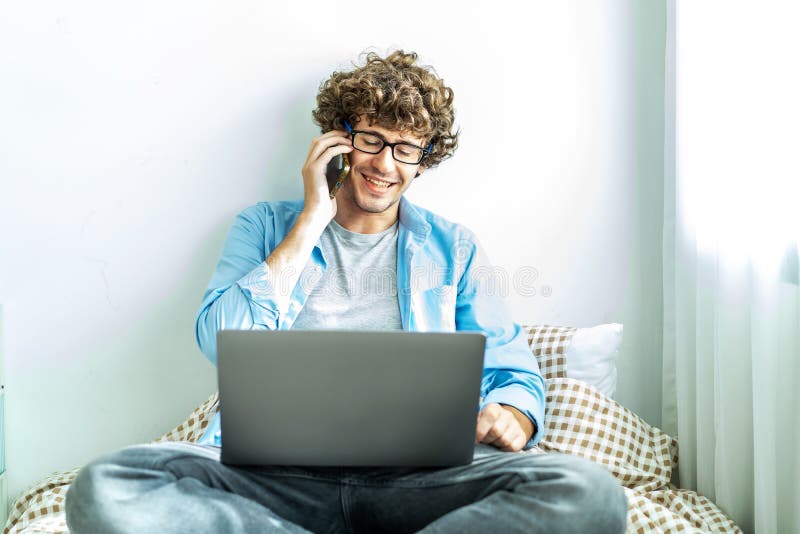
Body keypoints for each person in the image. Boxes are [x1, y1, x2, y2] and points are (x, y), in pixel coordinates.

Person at [66, 50, 627, 533]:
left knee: (588, 491)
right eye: (372, 140)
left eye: (407, 148)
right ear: (338, 141)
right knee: (105, 485)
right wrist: (312, 218)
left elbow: (515, 372)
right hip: (270, 482)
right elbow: (221, 342)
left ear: (423, 160)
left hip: (420, 483)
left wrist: (513, 413)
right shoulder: (263, 227)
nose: (385, 163)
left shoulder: (454, 248)